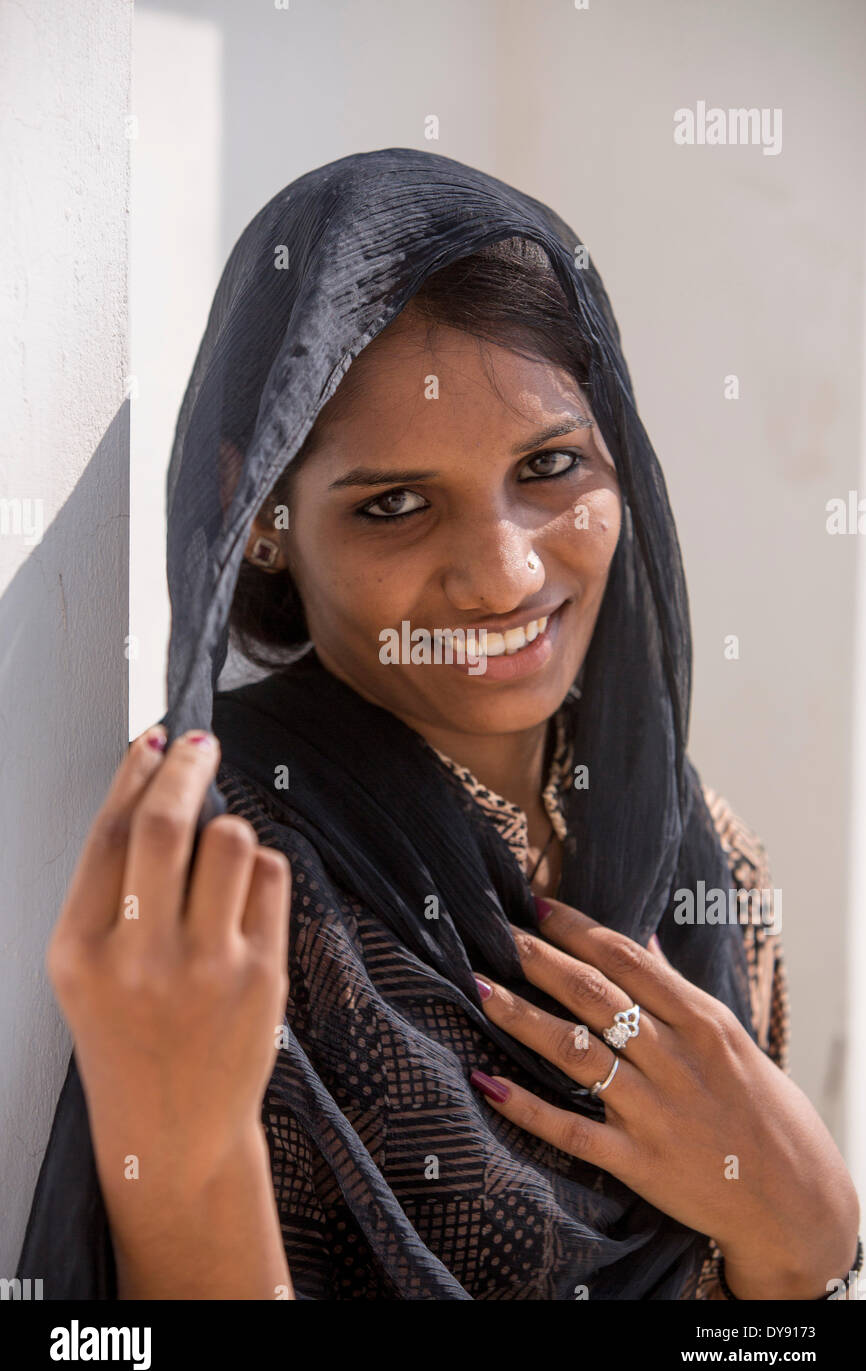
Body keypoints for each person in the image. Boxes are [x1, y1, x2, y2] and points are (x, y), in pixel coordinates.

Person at [17, 148, 861, 1300]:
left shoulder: (707, 862)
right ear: (254, 509)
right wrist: (185, 1170)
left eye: (551, 464)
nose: (504, 576)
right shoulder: (228, 882)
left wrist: (806, 1245)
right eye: (395, 505)